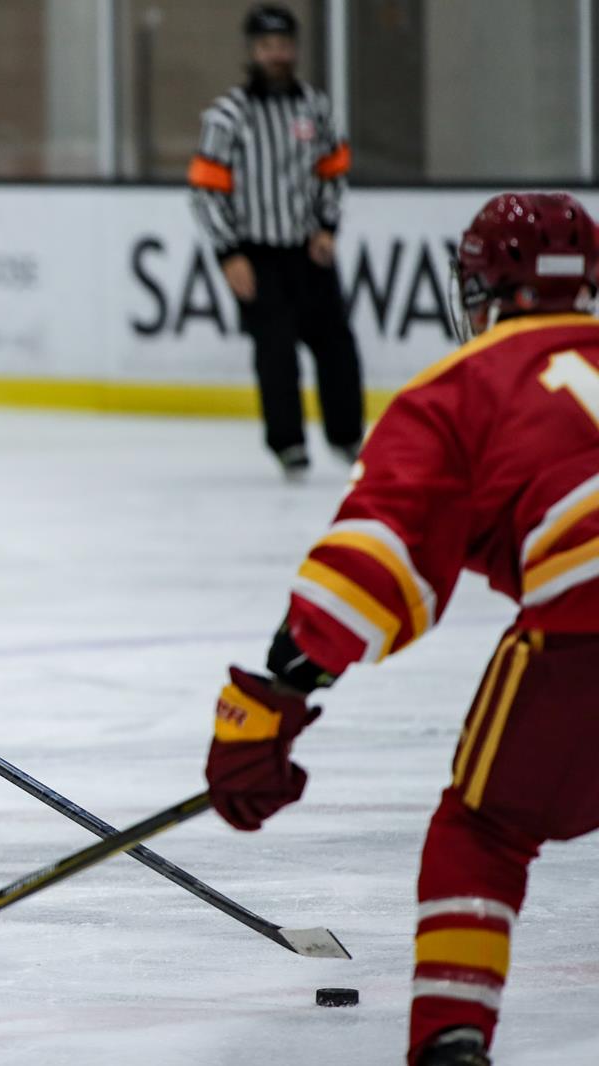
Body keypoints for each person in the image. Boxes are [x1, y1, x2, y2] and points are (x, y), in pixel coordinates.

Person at [203, 191, 599, 1066]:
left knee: (484, 832)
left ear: (483, 292)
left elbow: (374, 566)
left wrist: (270, 701)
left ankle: (451, 1046)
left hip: (586, 626)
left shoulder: (464, 388)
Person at [188, 2, 365, 480]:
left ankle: (348, 436)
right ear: (252, 51)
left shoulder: (316, 107)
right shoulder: (228, 116)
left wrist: (328, 227)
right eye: (268, 47)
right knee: (276, 350)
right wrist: (229, 254)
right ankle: (289, 445)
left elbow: (334, 171)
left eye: (285, 45)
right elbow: (206, 191)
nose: (278, 55)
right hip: (257, 253)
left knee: (337, 346)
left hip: (308, 248)